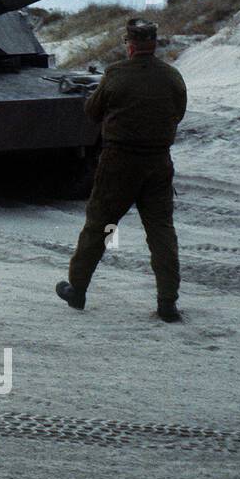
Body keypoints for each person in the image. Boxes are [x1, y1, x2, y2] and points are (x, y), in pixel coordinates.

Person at [57, 18, 188, 322]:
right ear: (154, 44)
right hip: (158, 162)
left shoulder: (116, 74)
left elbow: (92, 112)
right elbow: (177, 114)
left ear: (129, 44)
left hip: (119, 163)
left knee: (99, 225)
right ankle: (167, 302)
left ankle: (77, 290)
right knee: (161, 232)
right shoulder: (172, 76)